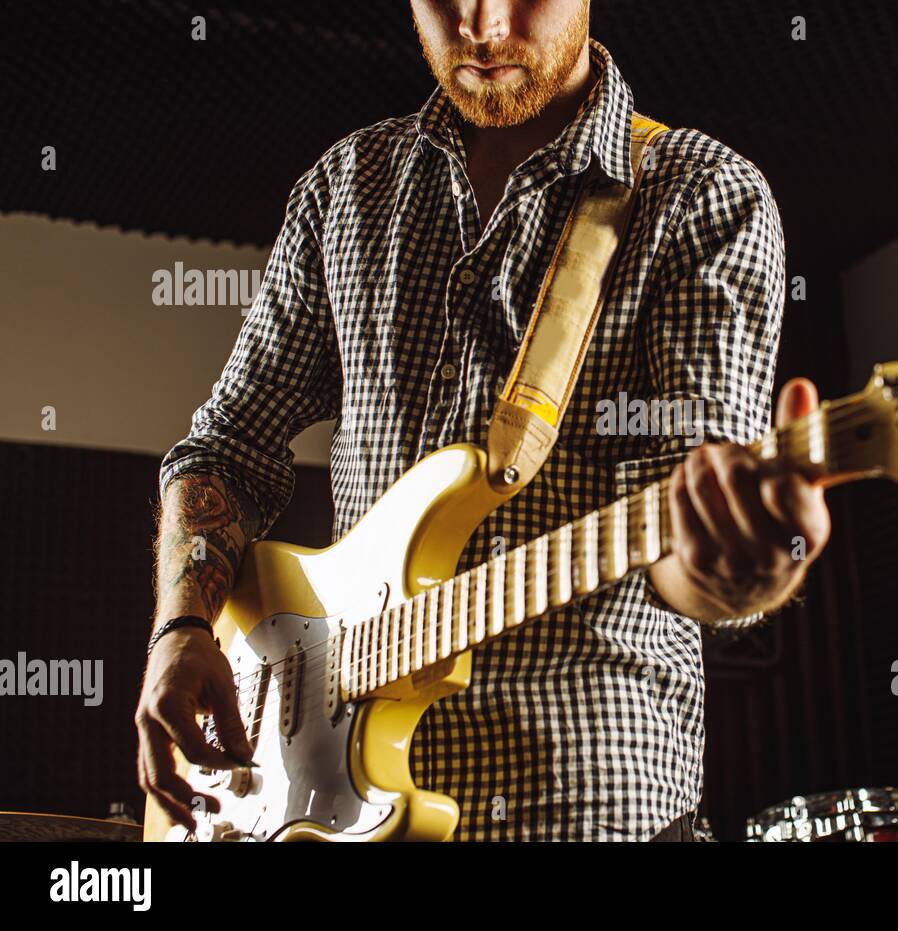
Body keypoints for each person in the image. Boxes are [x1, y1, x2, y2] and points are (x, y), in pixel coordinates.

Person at [136, 0, 830, 841]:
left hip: (585, 803)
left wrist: (737, 567)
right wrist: (179, 628)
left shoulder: (702, 195)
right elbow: (225, 448)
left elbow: (688, 545)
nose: (484, 24)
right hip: (323, 797)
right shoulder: (348, 185)